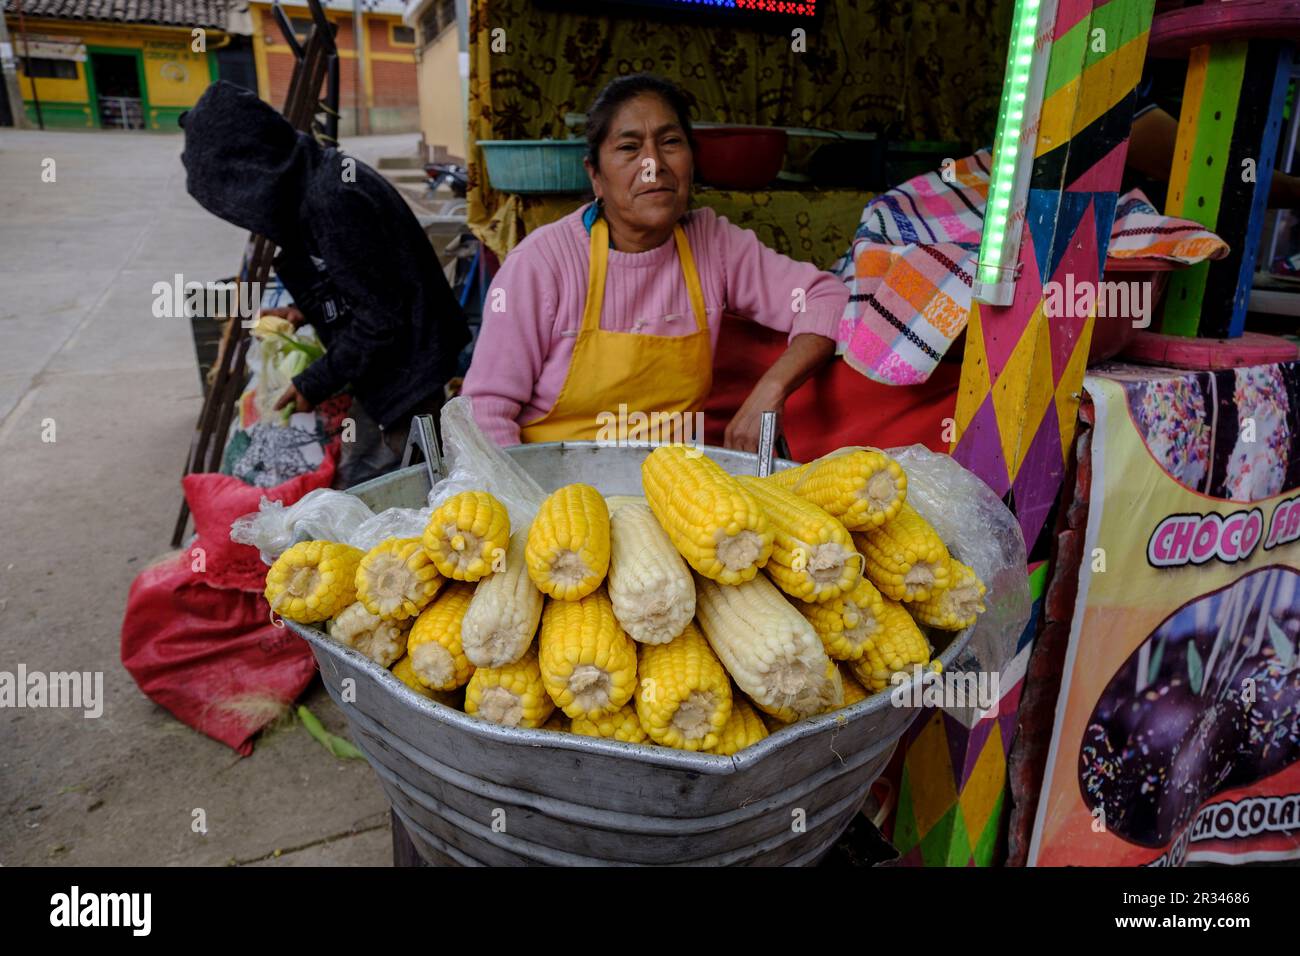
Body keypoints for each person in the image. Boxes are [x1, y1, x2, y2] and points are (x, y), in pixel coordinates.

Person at [461, 74, 848, 451]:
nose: (653, 165)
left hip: (670, 494)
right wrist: (527, 507)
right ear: (595, 175)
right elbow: (485, 414)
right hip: (553, 493)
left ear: (692, 162)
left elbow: (824, 297)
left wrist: (771, 388)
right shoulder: (542, 264)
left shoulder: (713, 244)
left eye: (670, 142)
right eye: (629, 148)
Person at [180, 81, 470, 484]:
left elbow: (380, 318)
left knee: (395, 487)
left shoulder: (332, 201)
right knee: (374, 477)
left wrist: (312, 381)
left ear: (249, 174)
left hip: (411, 369)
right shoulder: (314, 180)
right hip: (398, 365)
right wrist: (304, 311)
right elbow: (361, 282)